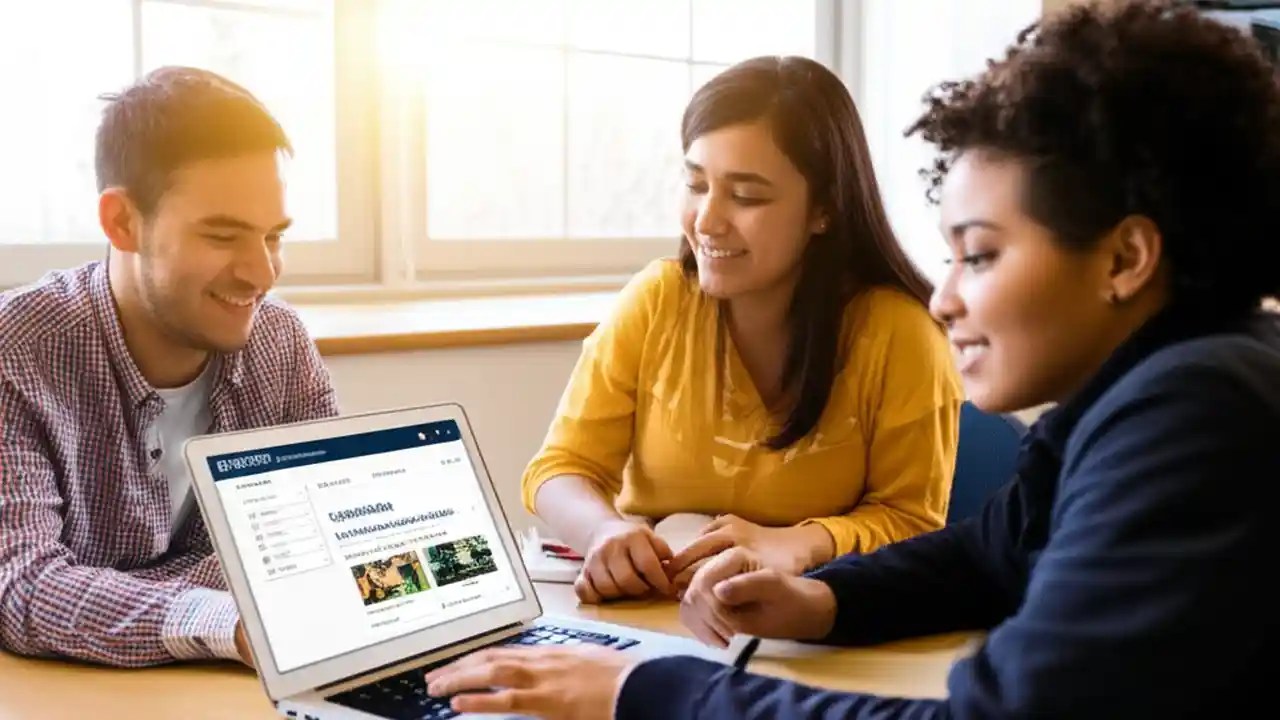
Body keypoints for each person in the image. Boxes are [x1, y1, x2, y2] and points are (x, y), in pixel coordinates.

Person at [420, 1, 1280, 717]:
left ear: (1126, 259)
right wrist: (825, 600)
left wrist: (644, 689)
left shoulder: (1196, 420)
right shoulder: (1147, 393)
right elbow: (988, 555)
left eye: (980, 255)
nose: (945, 299)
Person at [521, 55, 962, 603]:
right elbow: (561, 468)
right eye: (695, 184)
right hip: (656, 609)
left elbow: (913, 521)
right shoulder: (657, 301)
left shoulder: (900, 334)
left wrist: (795, 545)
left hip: (812, 616)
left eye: (746, 195)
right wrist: (603, 532)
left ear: (824, 209)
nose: (707, 220)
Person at [0, 67, 339, 668]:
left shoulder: (280, 342)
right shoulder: (18, 351)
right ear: (122, 223)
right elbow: (22, 586)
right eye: (223, 236)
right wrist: (226, 618)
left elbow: (324, 538)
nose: (261, 275)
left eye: (273, 237)